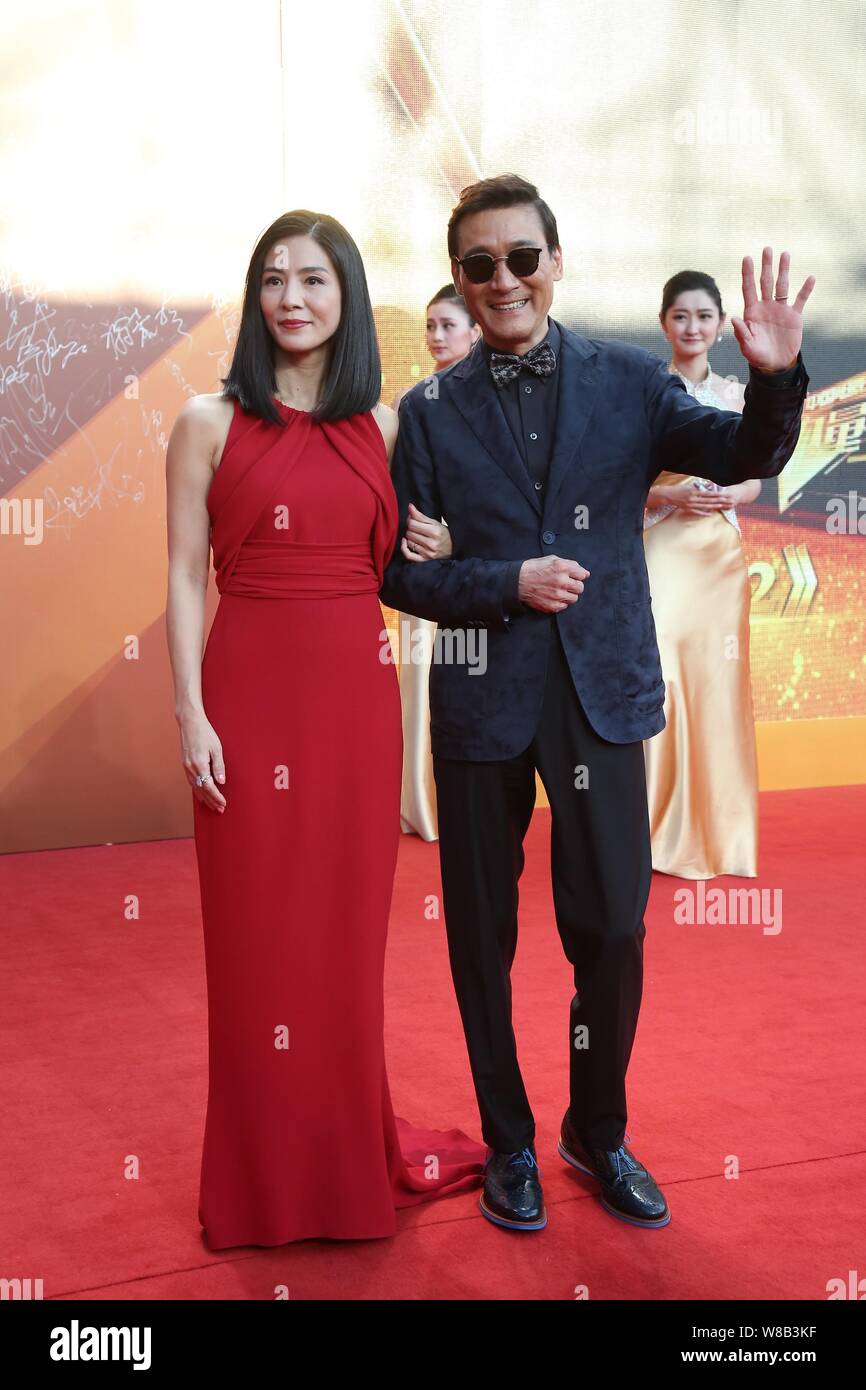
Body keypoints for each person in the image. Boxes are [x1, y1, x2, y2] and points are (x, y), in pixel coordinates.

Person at [379, 173, 813, 1233]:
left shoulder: (626, 379)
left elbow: (742, 453)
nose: (502, 280)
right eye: (478, 264)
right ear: (459, 279)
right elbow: (397, 573)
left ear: (554, 262)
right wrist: (500, 581)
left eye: (520, 257)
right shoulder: (429, 414)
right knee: (478, 936)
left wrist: (772, 379)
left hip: (598, 692)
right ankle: (509, 1141)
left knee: (611, 927)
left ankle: (594, 1127)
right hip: (483, 693)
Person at [165, 210, 484, 1251]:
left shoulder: (383, 427)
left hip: (355, 707)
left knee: (342, 958)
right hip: (247, 700)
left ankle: (341, 1171)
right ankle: (260, 1187)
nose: (290, 298)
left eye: (312, 279)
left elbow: (393, 565)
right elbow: (179, 576)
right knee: (257, 953)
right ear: (255, 301)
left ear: (345, 297)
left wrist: (429, 544)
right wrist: (190, 712)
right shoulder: (206, 420)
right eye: (271, 280)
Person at [644, 270, 762, 878]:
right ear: (664, 322)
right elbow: (619, 484)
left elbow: (757, 474)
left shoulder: (740, 396)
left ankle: (720, 832)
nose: (692, 327)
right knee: (659, 676)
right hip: (660, 551)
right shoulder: (641, 392)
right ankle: (652, 829)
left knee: (717, 684)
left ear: (720, 325)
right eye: (680, 316)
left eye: (704, 316)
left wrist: (727, 495)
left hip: (719, 555)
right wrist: (672, 498)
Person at [391, 285, 480, 840]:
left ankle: (463, 799)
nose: (436, 337)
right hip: (417, 563)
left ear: (475, 331)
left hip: (474, 575)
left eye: (448, 325)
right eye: (430, 326)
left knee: (465, 680)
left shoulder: (496, 405)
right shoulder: (412, 402)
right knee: (419, 674)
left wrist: (459, 538)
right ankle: (418, 800)